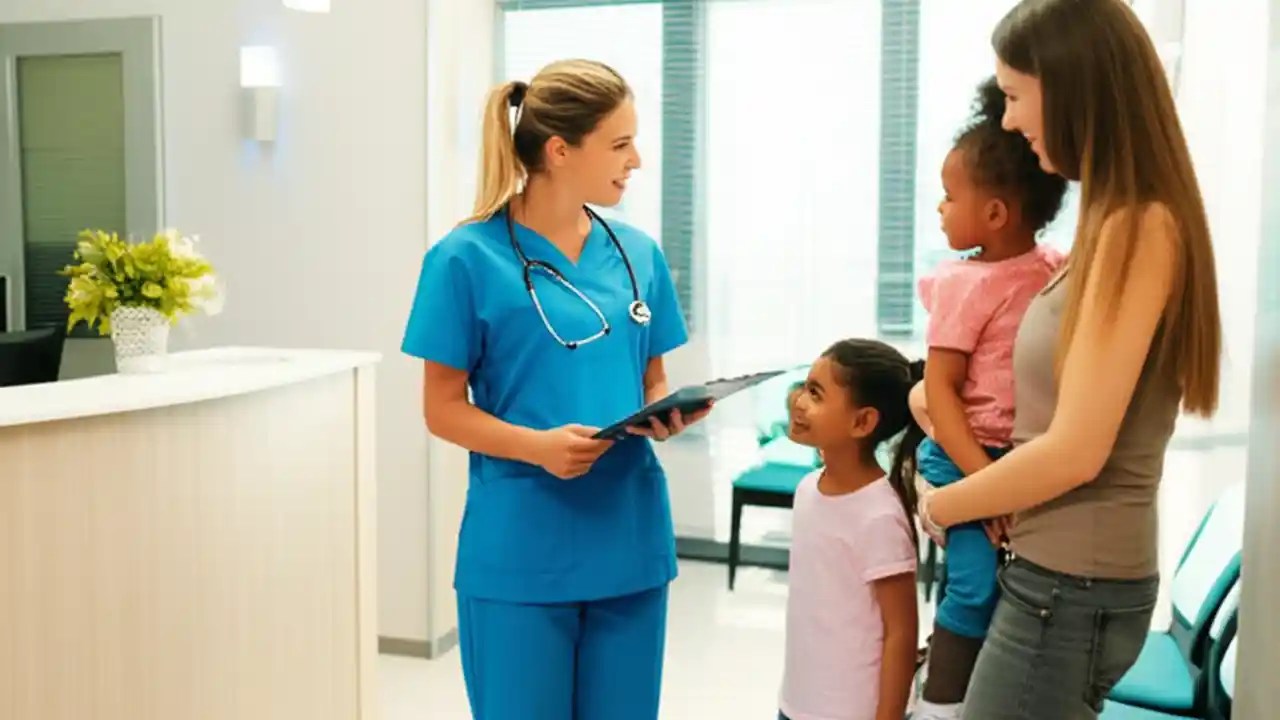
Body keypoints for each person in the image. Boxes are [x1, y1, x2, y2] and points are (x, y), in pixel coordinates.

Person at [914, 1, 1222, 718]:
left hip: (1070, 589)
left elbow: (1077, 449)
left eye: (1017, 96)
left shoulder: (1137, 228)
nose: (1011, 121)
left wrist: (945, 503)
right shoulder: (1114, 221)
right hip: (1061, 578)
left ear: (1075, 86)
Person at [400, 59, 709, 720]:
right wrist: (537, 447)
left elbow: (650, 377)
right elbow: (442, 409)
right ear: (560, 150)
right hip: (520, 548)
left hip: (629, 541)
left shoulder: (638, 254)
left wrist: (666, 411)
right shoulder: (464, 259)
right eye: (621, 144)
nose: (638, 160)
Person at [910, 75, 1068, 720]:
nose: (941, 211)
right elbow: (941, 393)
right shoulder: (960, 283)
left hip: (1019, 460)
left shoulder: (1054, 269)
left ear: (997, 213)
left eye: (950, 198)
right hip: (964, 457)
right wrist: (985, 483)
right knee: (972, 588)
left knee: (1010, 594)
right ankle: (938, 705)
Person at [778, 339, 924, 720]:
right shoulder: (808, 488)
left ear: (863, 422)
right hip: (797, 703)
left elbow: (901, 634)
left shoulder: (878, 515)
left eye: (816, 393)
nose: (799, 401)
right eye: (804, 386)